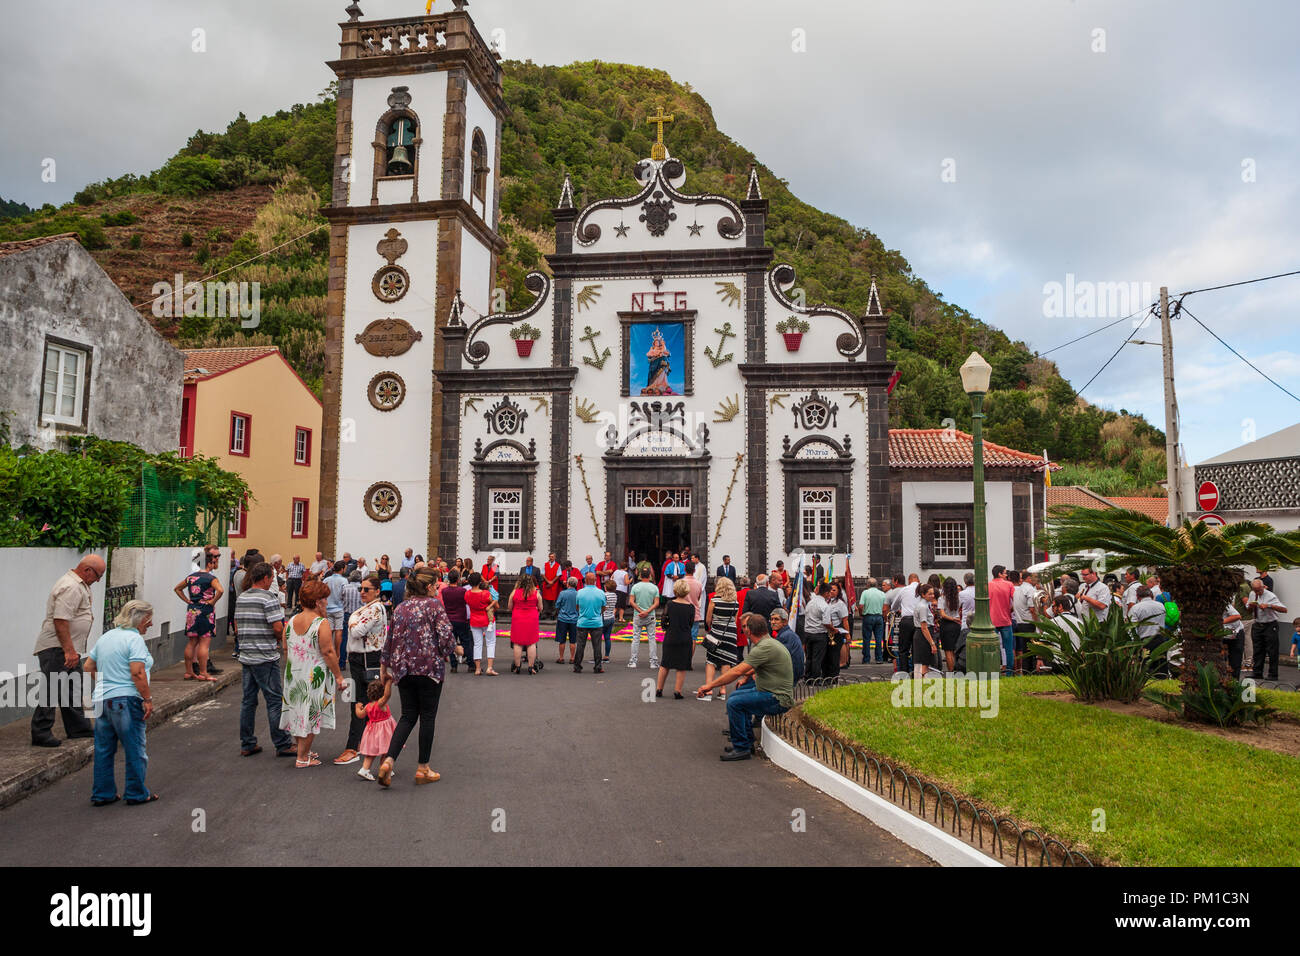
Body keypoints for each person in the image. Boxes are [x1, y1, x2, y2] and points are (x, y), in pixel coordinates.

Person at [377, 566, 456, 787]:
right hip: (428, 668)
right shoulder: (434, 606)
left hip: (404, 669)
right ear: (430, 587)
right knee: (427, 717)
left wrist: (385, 667)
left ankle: (389, 760)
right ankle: (423, 768)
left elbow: (389, 638)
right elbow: (446, 637)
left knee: (407, 716)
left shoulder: (401, 608)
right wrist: (449, 651)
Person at [84, 599, 158, 806]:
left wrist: (106, 683)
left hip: (101, 700)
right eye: (148, 619)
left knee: (103, 749)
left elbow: (89, 666)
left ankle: (103, 793)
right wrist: (147, 699)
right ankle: (136, 792)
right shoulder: (134, 640)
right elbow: (137, 672)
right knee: (134, 747)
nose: (150, 624)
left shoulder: (106, 637)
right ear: (140, 618)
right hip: (126, 700)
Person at [698, 613, 794, 761]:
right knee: (736, 698)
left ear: (749, 631)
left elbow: (737, 671)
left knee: (734, 703)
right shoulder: (768, 643)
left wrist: (709, 685)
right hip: (771, 691)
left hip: (777, 697)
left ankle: (742, 747)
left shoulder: (764, 647)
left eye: (744, 627)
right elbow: (752, 667)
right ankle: (747, 742)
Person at [31, 554, 103, 747]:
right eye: (98, 575)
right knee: (52, 688)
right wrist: (69, 651)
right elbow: (60, 620)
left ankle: (78, 728)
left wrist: (72, 650)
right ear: (87, 570)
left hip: (67, 647)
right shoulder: (71, 586)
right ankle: (41, 732)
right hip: (58, 647)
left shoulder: (79, 585)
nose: (98, 580)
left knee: (72, 687)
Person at [281, 573, 343, 768]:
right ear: (317, 602)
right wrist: (339, 676)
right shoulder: (320, 624)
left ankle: (303, 751)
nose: (326, 601)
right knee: (312, 714)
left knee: (299, 713)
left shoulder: (291, 621)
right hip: (313, 673)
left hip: (294, 672)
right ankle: (302, 757)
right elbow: (328, 651)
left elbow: (285, 647)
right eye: (324, 598)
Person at [235, 563, 296, 758]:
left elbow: (237, 626)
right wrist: (281, 641)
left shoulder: (242, 597)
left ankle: (247, 743)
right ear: (265, 578)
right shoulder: (269, 598)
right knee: (274, 700)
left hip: (246, 655)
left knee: (248, 701)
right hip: (265, 656)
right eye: (271, 578)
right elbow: (277, 628)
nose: (272, 582)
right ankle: (283, 743)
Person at [334, 575, 388, 766]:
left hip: (369, 658)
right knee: (359, 702)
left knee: (363, 702)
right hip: (359, 658)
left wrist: (352, 621)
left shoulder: (375, 608)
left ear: (377, 591)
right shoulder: (365, 609)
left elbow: (357, 631)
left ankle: (354, 747)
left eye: (367, 589)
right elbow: (355, 625)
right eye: (361, 589)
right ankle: (365, 744)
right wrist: (354, 619)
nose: (362, 593)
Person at [173, 547, 223, 681]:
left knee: (191, 642)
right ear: (209, 563)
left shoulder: (191, 578)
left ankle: (188, 672)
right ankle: (203, 672)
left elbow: (177, 589)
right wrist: (212, 601)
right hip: (206, 611)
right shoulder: (211, 578)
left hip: (192, 610)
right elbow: (221, 590)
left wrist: (187, 600)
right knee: (204, 643)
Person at [702, 576, 741, 701]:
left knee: (711, 661)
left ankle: (708, 690)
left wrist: (712, 626)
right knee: (726, 661)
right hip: (731, 634)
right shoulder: (735, 602)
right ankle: (722, 690)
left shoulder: (714, 600)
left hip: (716, 633)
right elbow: (735, 619)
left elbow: (708, 620)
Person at [657, 579, 695, 699]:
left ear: (675, 590)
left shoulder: (670, 604)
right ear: (687, 592)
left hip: (671, 635)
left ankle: (659, 689)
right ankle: (677, 691)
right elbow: (691, 623)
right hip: (685, 637)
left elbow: (663, 619)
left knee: (665, 663)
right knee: (681, 665)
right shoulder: (691, 607)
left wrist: (665, 628)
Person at [354, 680, 397, 781]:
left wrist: (357, 708)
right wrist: (389, 683)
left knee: (370, 753)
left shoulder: (368, 706)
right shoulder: (380, 704)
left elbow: (360, 715)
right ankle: (384, 768)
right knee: (386, 751)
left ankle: (364, 769)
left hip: (371, 731)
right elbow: (387, 695)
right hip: (384, 732)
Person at [1247, 577, 1288, 681]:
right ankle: (1257, 673)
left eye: (1260, 590)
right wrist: (1251, 606)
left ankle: (1273, 675)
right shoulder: (1252, 594)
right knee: (1258, 650)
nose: (1258, 592)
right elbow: (1248, 609)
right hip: (1257, 624)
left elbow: (1284, 609)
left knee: (1272, 650)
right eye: (1256, 590)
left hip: (1270, 625)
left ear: (1263, 587)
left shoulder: (1270, 595)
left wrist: (1269, 605)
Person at [465, 572, 499, 676]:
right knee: (490, 642)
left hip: (474, 620)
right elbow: (496, 606)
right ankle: (489, 667)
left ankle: (478, 668)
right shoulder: (485, 594)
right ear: (480, 581)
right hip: (487, 620)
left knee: (477, 644)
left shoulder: (467, 594)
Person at [574, 572, 607, 673]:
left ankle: (577, 666)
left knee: (580, 645)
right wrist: (597, 613)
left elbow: (577, 607)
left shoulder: (580, 592)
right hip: (596, 622)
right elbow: (603, 608)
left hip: (582, 622)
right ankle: (598, 667)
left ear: (586, 581)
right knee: (597, 646)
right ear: (595, 581)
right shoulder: (601, 592)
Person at [509, 573, 542, 674]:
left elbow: (510, 606)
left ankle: (517, 666)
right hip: (532, 618)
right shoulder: (536, 593)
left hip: (517, 618)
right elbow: (541, 607)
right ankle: (531, 667)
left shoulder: (514, 592)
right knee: (531, 643)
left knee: (517, 643)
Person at [629, 567, 661, 669]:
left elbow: (631, 601)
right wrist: (647, 611)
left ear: (640, 576)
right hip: (650, 615)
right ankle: (653, 662)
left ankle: (633, 661)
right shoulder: (654, 588)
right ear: (650, 576)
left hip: (638, 615)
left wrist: (640, 611)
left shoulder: (635, 587)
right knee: (651, 638)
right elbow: (656, 603)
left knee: (636, 638)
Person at [441, 569, 471, 673]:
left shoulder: (444, 591)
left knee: (451, 642)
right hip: (461, 618)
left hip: (449, 619)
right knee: (466, 641)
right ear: (458, 579)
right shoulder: (462, 591)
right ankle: (471, 664)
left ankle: (453, 665)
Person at [1012, 570, 1040, 676]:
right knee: (1031, 649)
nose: (1036, 580)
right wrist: (1038, 622)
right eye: (1034, 578)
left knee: (1024, 649)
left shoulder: (1018, 590)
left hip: (1019, 622)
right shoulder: (1030, 590)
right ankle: (1030, 671)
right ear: (1028, 578)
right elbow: (1032, 609)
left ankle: (1025, 671)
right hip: (1028, 623)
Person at [802, 582, 831, 680]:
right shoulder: (824, 605)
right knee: (817, 658)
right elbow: (826, 622)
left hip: (808, 633)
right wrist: (834, 629)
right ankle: (815, 678)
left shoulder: (811, 602)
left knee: (809, 657)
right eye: (829, 593)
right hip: (819, 633)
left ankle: (807, 676)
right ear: (826, 593)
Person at [768, 608, 805, 683]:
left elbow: (777, 659)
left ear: (785, 622)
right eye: (771, 619)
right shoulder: (786, 633)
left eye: (776, 619)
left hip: (790, 676)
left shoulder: (785, 636)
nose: (773, 622)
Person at [912, 583, 939, 677]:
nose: (933, 596)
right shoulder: (923, 607)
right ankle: (921, 682)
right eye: (930, 594)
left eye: (933, 593)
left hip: (924, 634)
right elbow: (924, 627)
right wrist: (932, 643)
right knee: (924, 663)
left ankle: (921, 682)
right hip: (923, 636)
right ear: (923, 595)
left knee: (925, 662)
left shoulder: (925, 604)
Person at [857, 577, 886, 664]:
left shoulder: (865, 593)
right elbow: (885, 608)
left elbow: (861, 606)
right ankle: (879, 658)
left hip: (868, 616)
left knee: (866, 638)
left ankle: (866, 658)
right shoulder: (882, 593)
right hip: (879, 617)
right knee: (878, 638)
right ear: (877, 585)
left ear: (868, 584)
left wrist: (861, 614)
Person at [938, 577, 962, 673]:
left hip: (946, 625)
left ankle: (951, 671)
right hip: (956, 625)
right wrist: (956, 619)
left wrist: (952, 618)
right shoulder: (959, 597)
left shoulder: (942, 598)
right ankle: (956, 670)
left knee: (948, 651)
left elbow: (942, 614)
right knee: (955, 650)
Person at [1223, 603, 1246, 681]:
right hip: (1222, 635)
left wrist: (1220, 622)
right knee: (1220, 660)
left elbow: (1237, 616)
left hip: (1237, 633)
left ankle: (1234, 684)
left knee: (1235, 662)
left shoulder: (1223, 603)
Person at [601, 577, 618, 661]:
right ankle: (606, 655)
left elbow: (602, 606)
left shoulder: (604, 595)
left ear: (606, 587)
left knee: (598, 637)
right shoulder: (615, 595)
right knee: (607, 637)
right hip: (611, 617)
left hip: (604, 617)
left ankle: (598, 655)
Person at [542, 553, 562, 618]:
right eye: (550, 557)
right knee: (545, 599)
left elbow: (558, 575)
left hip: (554, 584)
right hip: (546, 584)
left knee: (554, 599)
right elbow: (542, 574)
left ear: (555, 557)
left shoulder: (558, 565)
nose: (551, 558)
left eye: (552, 557)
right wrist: (548, 581)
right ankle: (545, 613)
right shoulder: (545, 564)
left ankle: (553, 614)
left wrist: (552, 582)